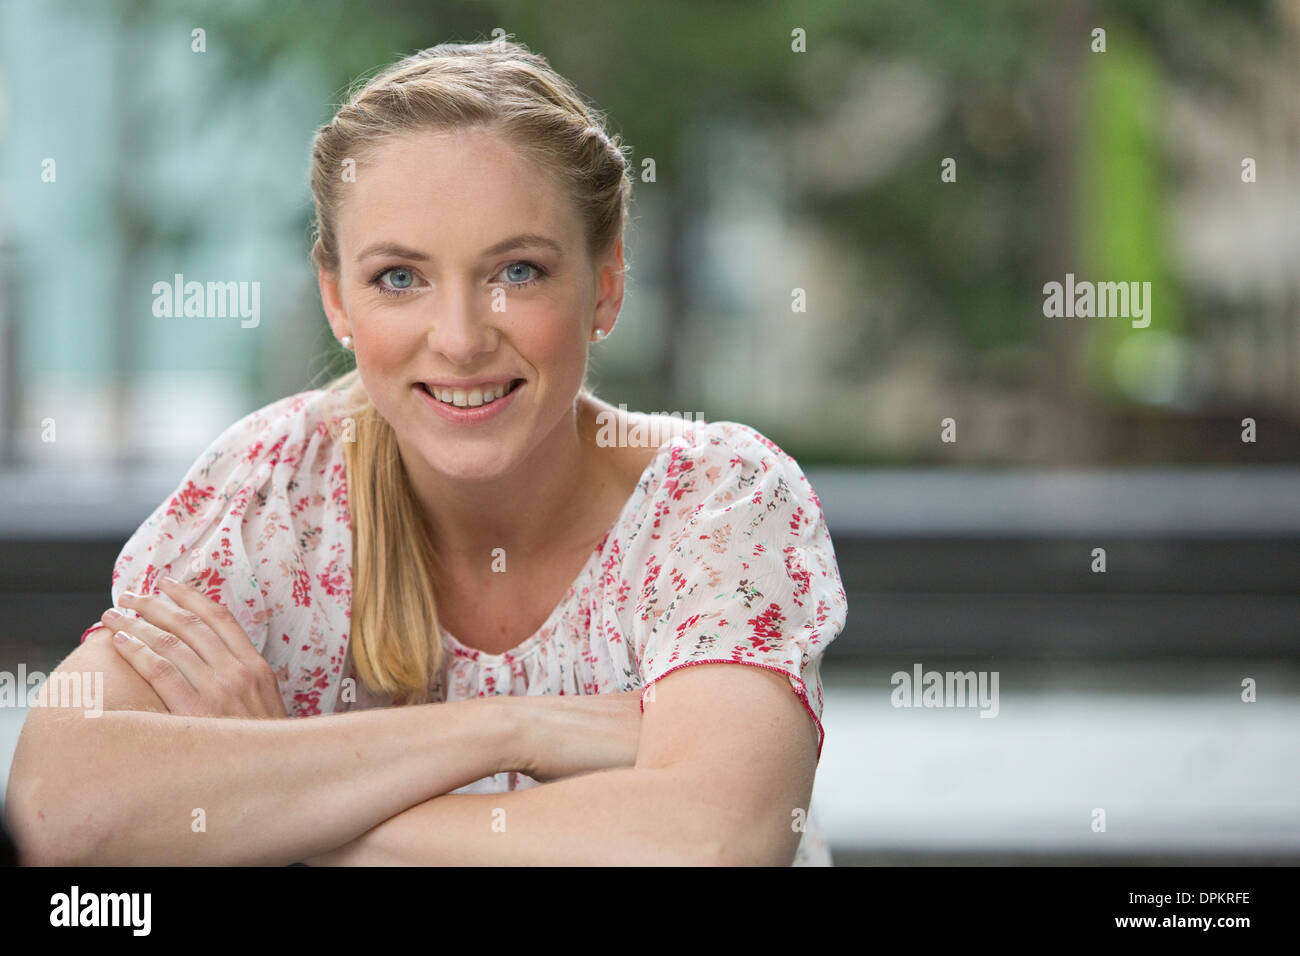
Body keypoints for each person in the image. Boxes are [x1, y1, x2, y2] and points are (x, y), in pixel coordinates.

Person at [4, 37, 846, 866]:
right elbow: (57, 812)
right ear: (337, 297)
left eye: (517, 271)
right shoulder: (275, 486)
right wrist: (512, 730)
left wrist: (293, 809)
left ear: (608, 282)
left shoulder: (718, 500)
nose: (459, 339)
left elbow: (710, 843)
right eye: (399, 278)